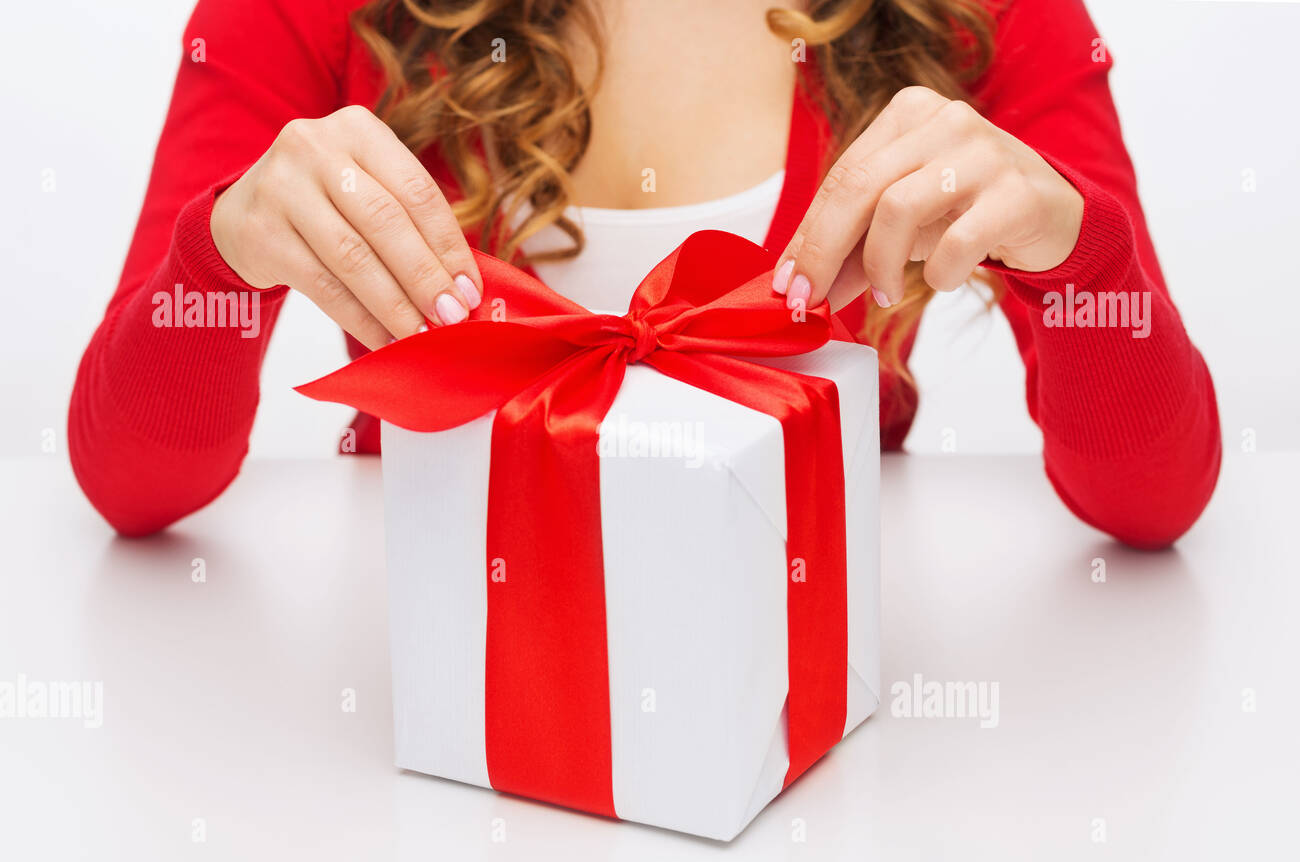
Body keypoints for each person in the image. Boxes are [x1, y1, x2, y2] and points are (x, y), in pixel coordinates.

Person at [69, 0, 1220, 547]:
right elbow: (132, 485)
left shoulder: (995, 14)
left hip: (822, 646)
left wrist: (1083, 257)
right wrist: (217, 250)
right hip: (426, 656)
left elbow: (1153, 499)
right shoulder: (289, 13)